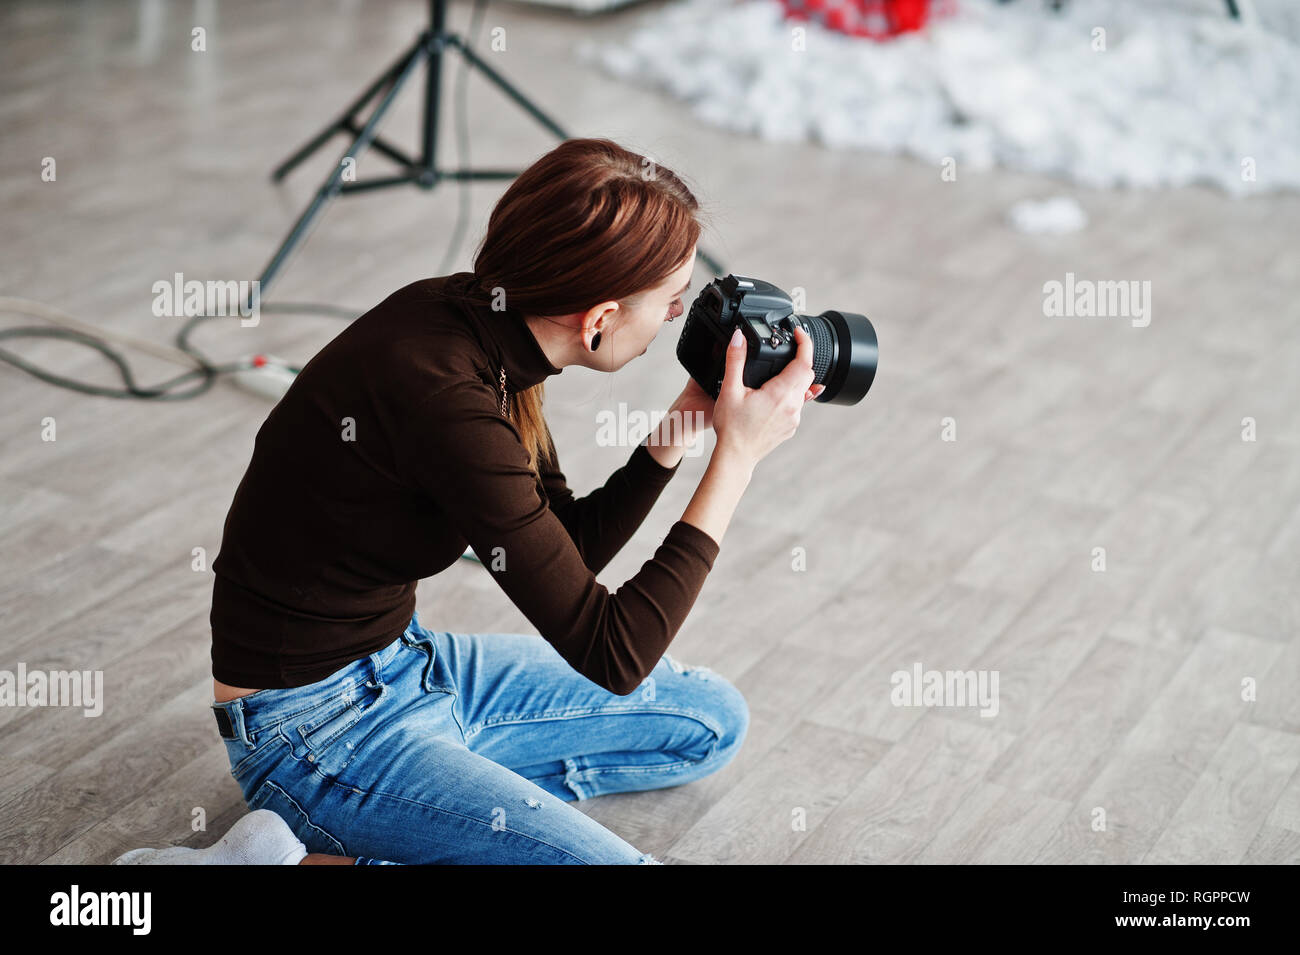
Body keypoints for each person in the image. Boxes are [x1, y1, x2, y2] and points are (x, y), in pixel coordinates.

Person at [114, 138, 823, 866]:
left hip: (408, 665)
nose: (678, 314)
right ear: (600, 317)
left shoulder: (492, 326)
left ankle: (429, 820)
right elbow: (615, 652)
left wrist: (685, 423)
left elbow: (567, 548)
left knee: (707, 722)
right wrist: (736, 458)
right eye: (670, 300)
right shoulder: (445, 395)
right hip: (312, 734)